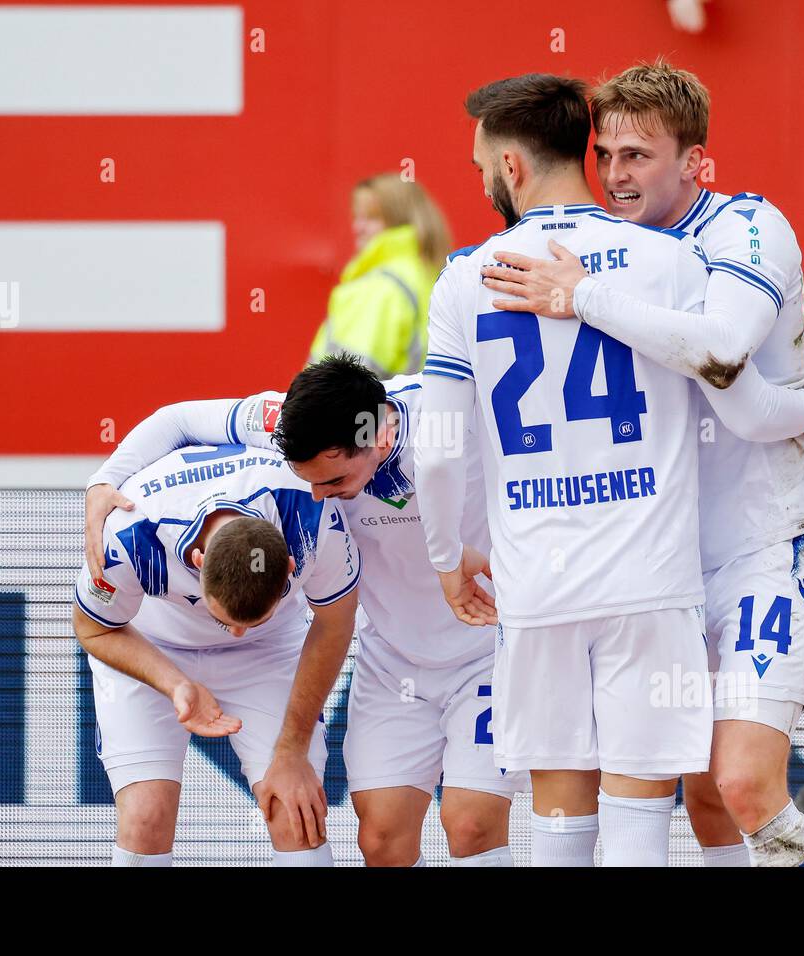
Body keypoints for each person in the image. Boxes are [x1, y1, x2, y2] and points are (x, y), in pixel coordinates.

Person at [475, 59, 804, 867]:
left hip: (766, 546)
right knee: (704, 793)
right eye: (602, 154)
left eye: (637, 155)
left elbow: (717, 347)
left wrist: (583, 297)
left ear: (694, 163)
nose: (614, 174)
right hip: (666, 565)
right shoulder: (611, 250)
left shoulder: (745, 227)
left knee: (743, 782)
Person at [415, 72, 717, 868]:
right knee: (638, 821)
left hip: (538, 586)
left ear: (510, 166)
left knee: (557, 819)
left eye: (481, 163)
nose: (480, 178)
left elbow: (438, 444)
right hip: (649, 578)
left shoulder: (465, 277)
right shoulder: (671, 260)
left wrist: (447, 559)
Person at [83, 357, 526, 867]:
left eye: (333, 480)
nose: (317, 497)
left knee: (469, 823)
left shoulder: (453, 415)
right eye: (307, 480)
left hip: (483, 650)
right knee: (379, 840)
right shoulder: (293, 429)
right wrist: (104, 481)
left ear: (379, 438)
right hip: (394, 663)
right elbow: (178, 420)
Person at [72, 443, 360, 866]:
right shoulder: (129, 535)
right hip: (152, 642)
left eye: (252, 619)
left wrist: (293, 750)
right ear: (197, 560)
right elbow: (93, 627)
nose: (238, 632)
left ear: (292, 565)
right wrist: (176, 684)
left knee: (296, 817)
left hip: (269, 652)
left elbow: (334, 622)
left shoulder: (313, 516)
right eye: (228, 620)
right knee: (145, 817)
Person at [309, 174, 452, 376]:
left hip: (355, 407)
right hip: (405, 406)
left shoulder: (380, 287)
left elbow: (346, 384)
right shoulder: (427, 278)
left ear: (400, 220)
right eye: (357, 217)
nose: (358, 227)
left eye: (372, 218)